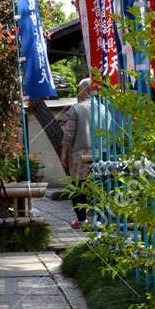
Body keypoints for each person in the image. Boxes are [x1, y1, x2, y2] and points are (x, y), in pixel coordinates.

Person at [60, 78, 93, 226]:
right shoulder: (104, 108)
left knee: (78, 186)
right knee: (96, 185)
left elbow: (69, 134)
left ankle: (82, 220)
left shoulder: (76, 109)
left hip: (79, 154)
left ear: (82, 90)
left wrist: (64, 153)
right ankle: (100, 219)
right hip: (100, 153)